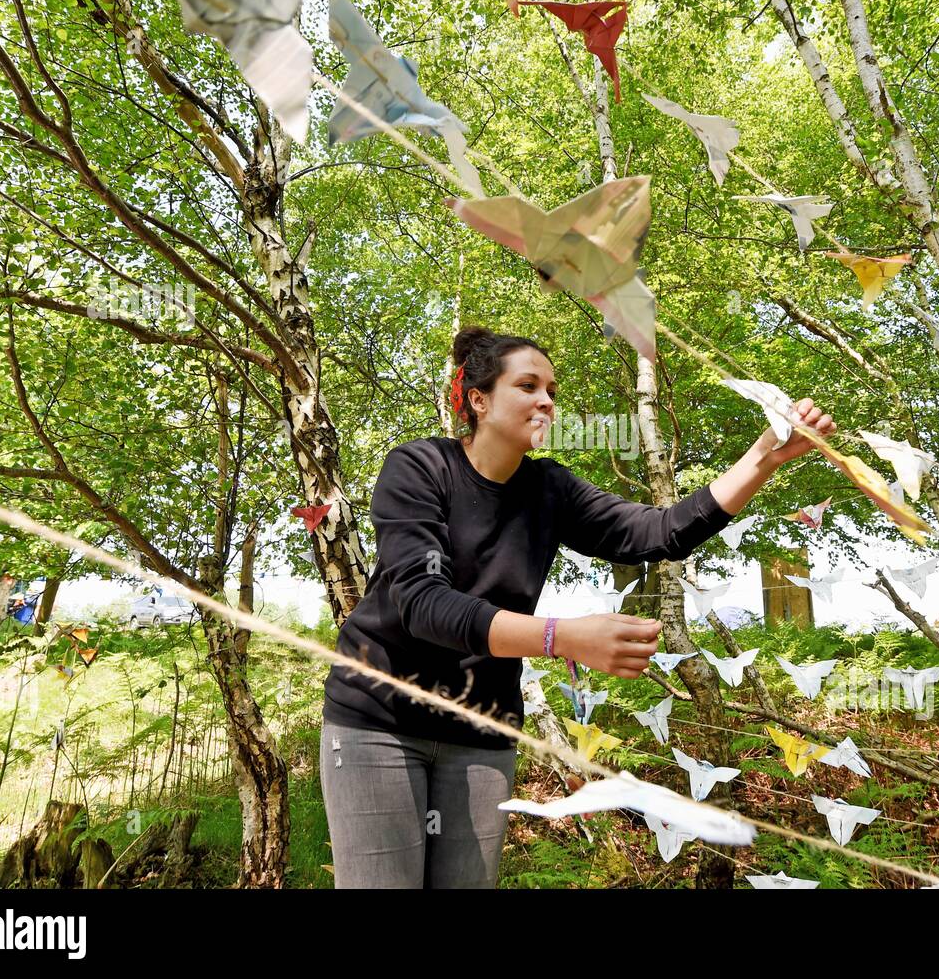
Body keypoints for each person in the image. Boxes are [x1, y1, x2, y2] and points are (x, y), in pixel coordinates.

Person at [320, 325, 836, 888]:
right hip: (380, 722)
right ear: (478, 398)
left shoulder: (550, 489)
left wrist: (764, 457)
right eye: (528, 385)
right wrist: (560, 637)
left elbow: (659, 532)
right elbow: (423, 604)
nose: (546, 400)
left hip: (482, 730)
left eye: (552, 390)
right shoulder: (419, 469)